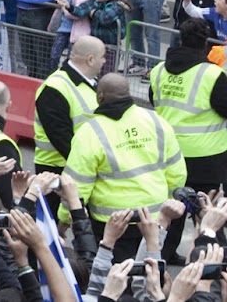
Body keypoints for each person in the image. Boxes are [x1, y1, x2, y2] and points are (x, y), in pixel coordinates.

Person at [64, 72, 187, 260]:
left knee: (113, 279)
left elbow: (76, 184)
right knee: (149, 275)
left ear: (100, 96)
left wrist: (65, 220)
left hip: (112, 224)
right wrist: (168, 211)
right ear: (128, 92)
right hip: (153, 219)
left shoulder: (89, 132)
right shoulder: (156, 121)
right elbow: (176, 172)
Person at [149, 17, 227, 260]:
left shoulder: (158, 70)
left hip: (168, 153)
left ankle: (167, 251)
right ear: (205, 44)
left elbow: (155, 101)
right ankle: (212, 258)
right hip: (206, 155)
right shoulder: (213, 74)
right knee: (206, 208)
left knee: (175, 205)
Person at [33, 35, 102, 177]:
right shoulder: (54, 88)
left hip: (79, 166)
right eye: (102, 57)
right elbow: (62, 139)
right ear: (90, 60)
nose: (104, 61)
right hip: (57, 171)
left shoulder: (90, 83)